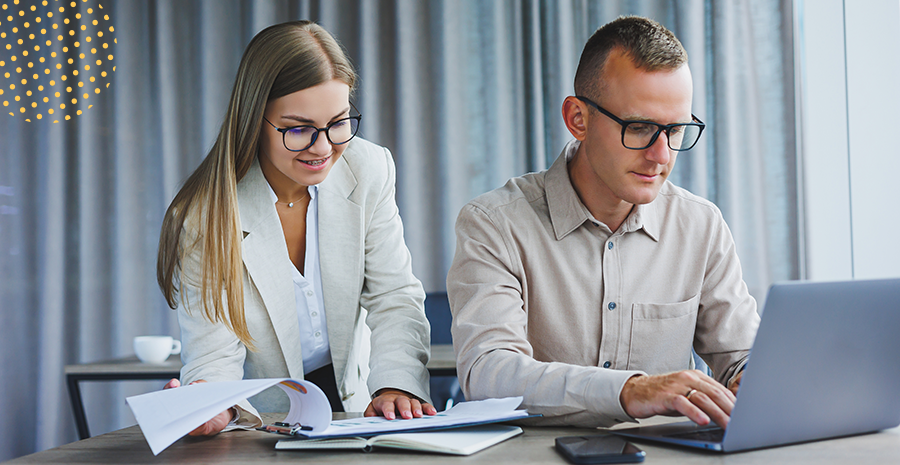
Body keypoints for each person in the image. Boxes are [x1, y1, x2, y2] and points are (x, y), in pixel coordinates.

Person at [447, 16, 760, 430]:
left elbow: (740, 355)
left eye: (676, 130)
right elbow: (488, 375)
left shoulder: (700, 225)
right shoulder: (494, 225)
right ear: (578, 118)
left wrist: (750, 379)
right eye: (641, 127)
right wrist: (630, 391)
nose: (662, 155)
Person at [156, 20, 436, 436]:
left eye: (338, 122)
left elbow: (394, 296)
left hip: (359, 410)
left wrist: (396, 384)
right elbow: (214, 354)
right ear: (255, 120)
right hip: (266, 425)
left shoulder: (369, 168)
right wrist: (215, 405)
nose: (323, 148)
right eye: (299, 129)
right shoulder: (203, 216)